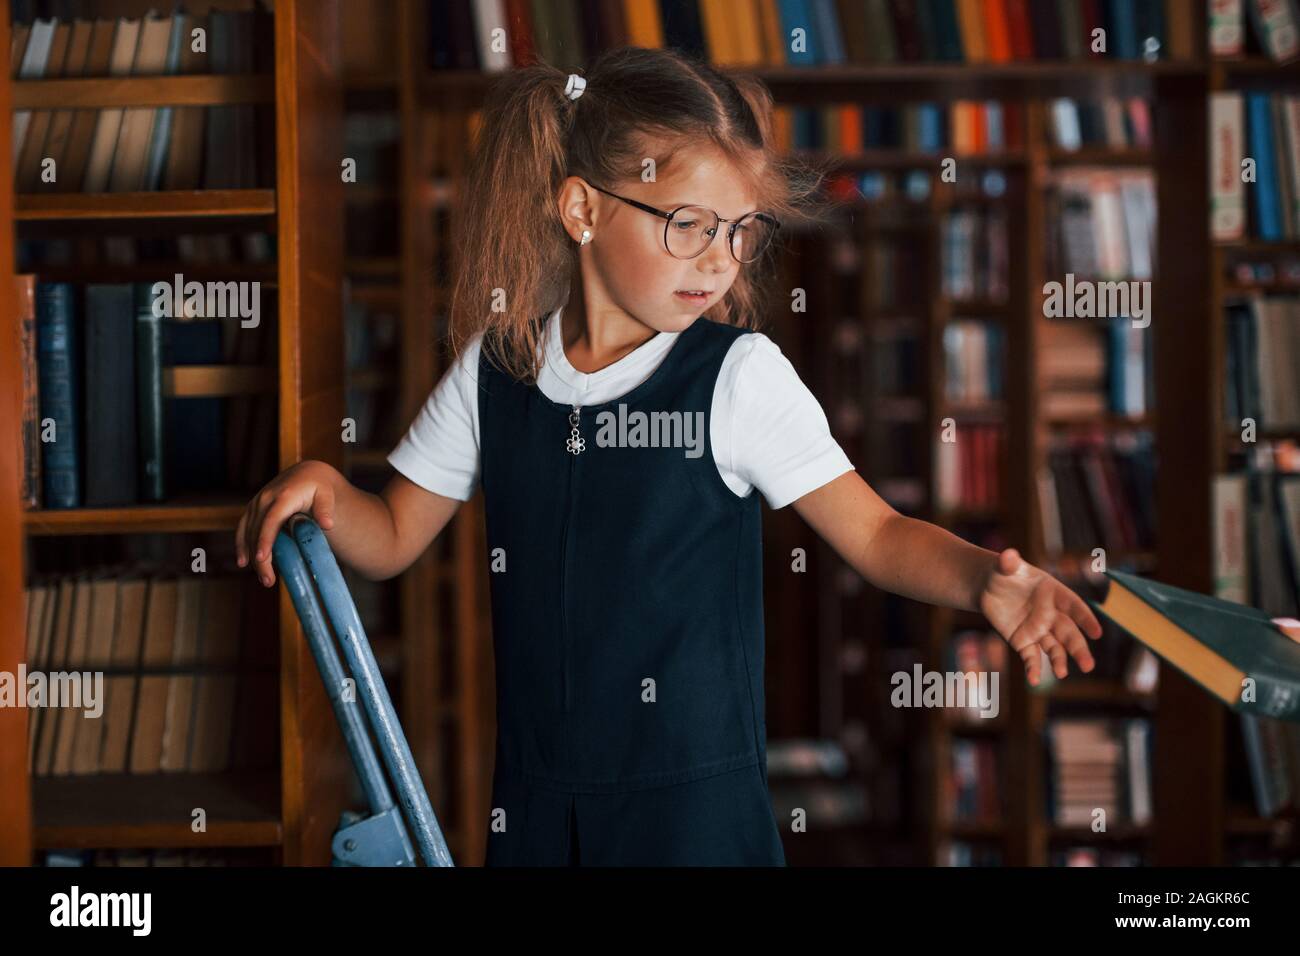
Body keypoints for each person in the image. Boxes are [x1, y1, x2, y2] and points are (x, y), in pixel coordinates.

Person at [235, 46, 1102, 866]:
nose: (720, 261)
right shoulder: (492, 374)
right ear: (581, 210)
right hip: (535, 815)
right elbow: (390, 537)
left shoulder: (740, 376)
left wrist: (986, 579)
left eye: (740, 232)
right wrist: (329, 492)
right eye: (688, 225)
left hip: (695, 822)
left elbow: (877, 536)